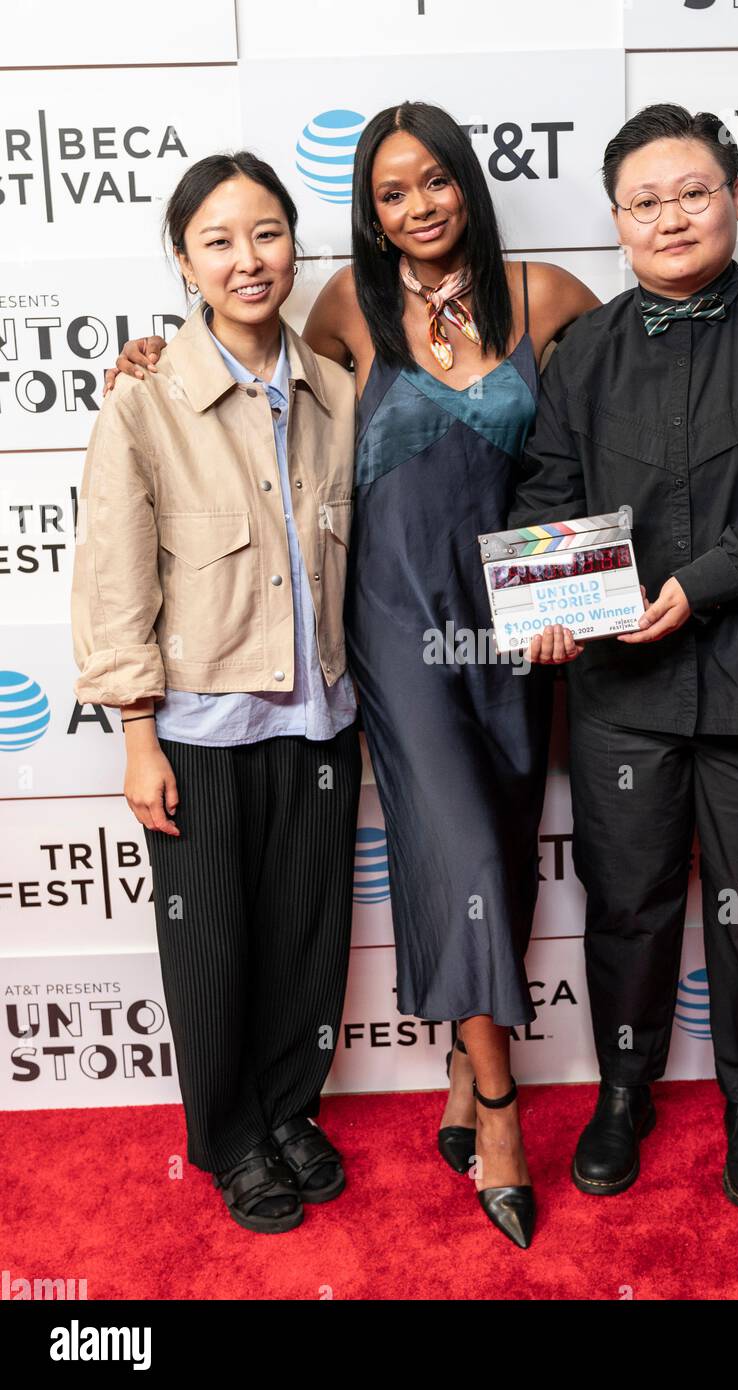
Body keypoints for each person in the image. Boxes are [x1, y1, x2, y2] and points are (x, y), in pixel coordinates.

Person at [104, 102, 738, 1248]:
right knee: (451, 846)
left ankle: (460, 1066)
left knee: (498, 847)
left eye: (434, 182)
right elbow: (243, 372)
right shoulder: (343, 307)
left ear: (466, 186)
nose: (417, 207)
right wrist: (152, 350)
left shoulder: (545, 295)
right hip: (397, 625)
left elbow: (665, 355)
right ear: (370, 208)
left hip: (527, 628)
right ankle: (498, 1111)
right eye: (392, 192)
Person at [511, 103, 738, 1212]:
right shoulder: (583, 353)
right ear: (616, 221)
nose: (669, 216)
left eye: (690, 192)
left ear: (734, 195)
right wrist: (547, 600)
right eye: (642, 201)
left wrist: (700, 585)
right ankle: (622, 1092)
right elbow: (546, 491)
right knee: (625, 904)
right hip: (624, 693)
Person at [71, 151, 361, 1234]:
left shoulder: (333, 389)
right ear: (185, 261)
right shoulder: (145, 398)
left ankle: (290, 1113)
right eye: (220, 240)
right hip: (197, 725)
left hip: (321, 715)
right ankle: (230, 1139)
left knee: (305, 937)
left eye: (269, 233)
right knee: (211, 946)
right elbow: (114, 578)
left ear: (295, 242)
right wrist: (138, 735)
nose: (250, 259)